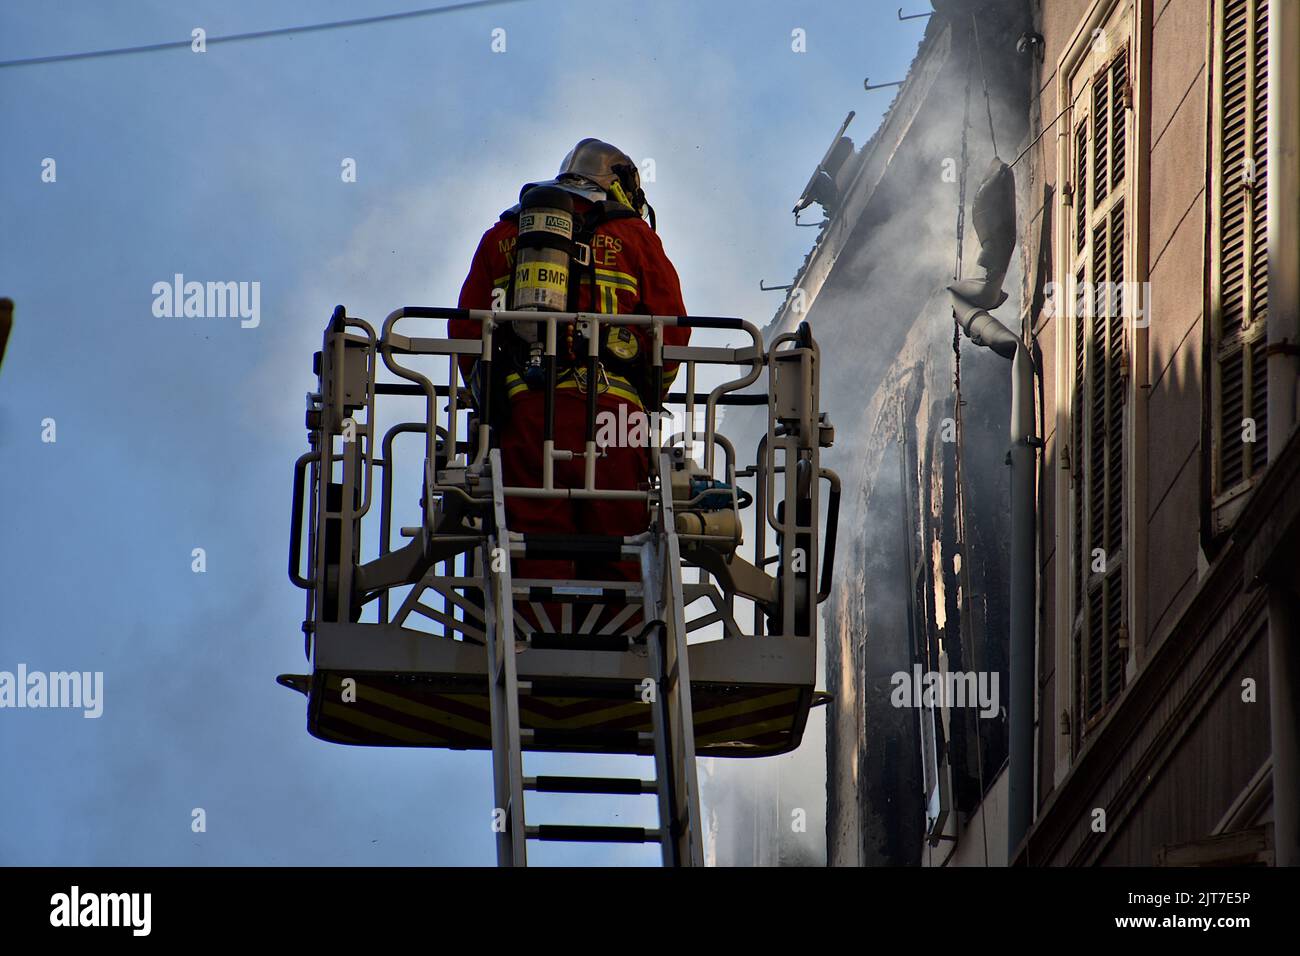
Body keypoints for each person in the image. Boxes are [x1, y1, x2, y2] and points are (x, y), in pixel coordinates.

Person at [452, 139, 690, 590]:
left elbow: (467, 331)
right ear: (618, 182)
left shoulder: (504, 236)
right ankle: (627, 639)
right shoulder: (636, 237)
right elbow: (672, 332)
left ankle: (533, 633)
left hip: (528, 412)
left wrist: (493, 398)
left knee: (532, 538)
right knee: (624, 538)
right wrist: (649, 393)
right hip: (616, 419)